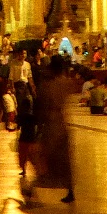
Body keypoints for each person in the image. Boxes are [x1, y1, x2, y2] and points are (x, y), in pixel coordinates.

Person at [30, 55, 76, 202]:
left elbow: (42, 105)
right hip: (62, 122)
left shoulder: (47, 84)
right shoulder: (65, 82)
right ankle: (70, 190)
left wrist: (38, 126)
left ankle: (34, 186)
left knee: (45, 158)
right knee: (64, 160)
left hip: (51, 124)